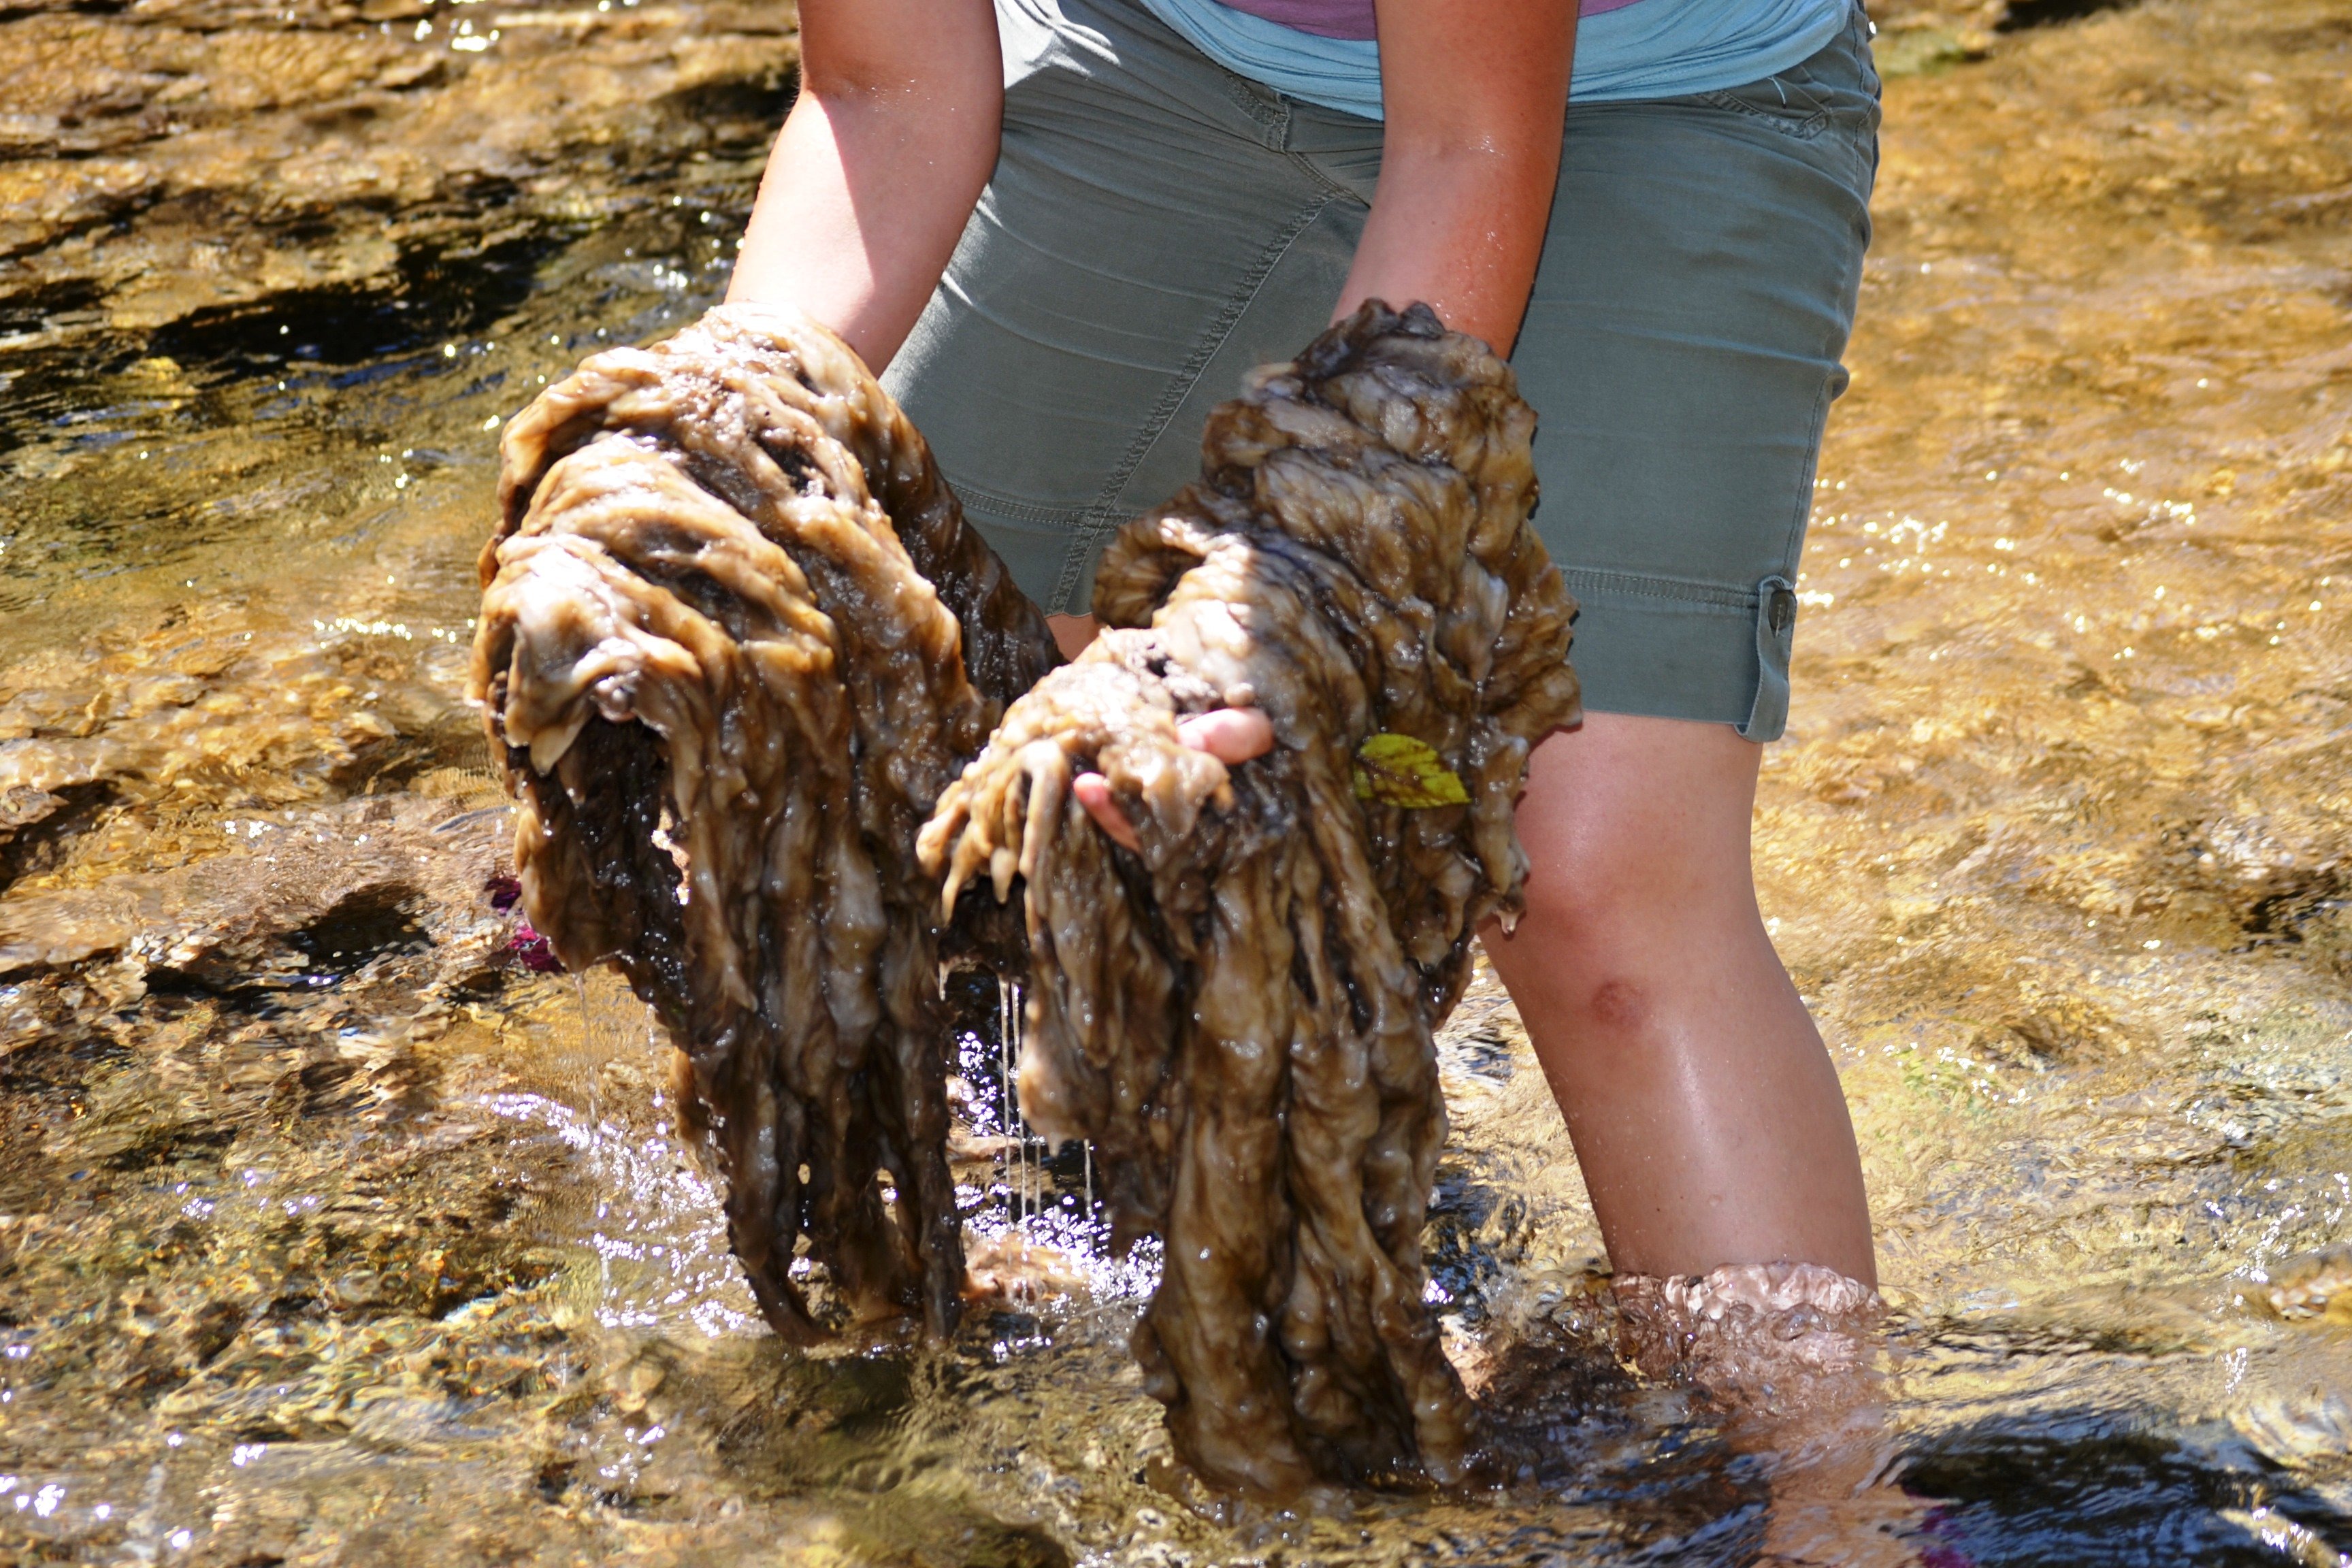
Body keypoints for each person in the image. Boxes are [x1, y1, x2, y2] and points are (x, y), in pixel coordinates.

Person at [725, 0, 1882, 1292]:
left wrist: (1298, 600)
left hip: (1645, 98)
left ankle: (1814, 1484)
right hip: (1154, 59)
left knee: (1584, 880)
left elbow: (1467, 146)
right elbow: (884, 90)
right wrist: (718, 425)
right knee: (890, 697)